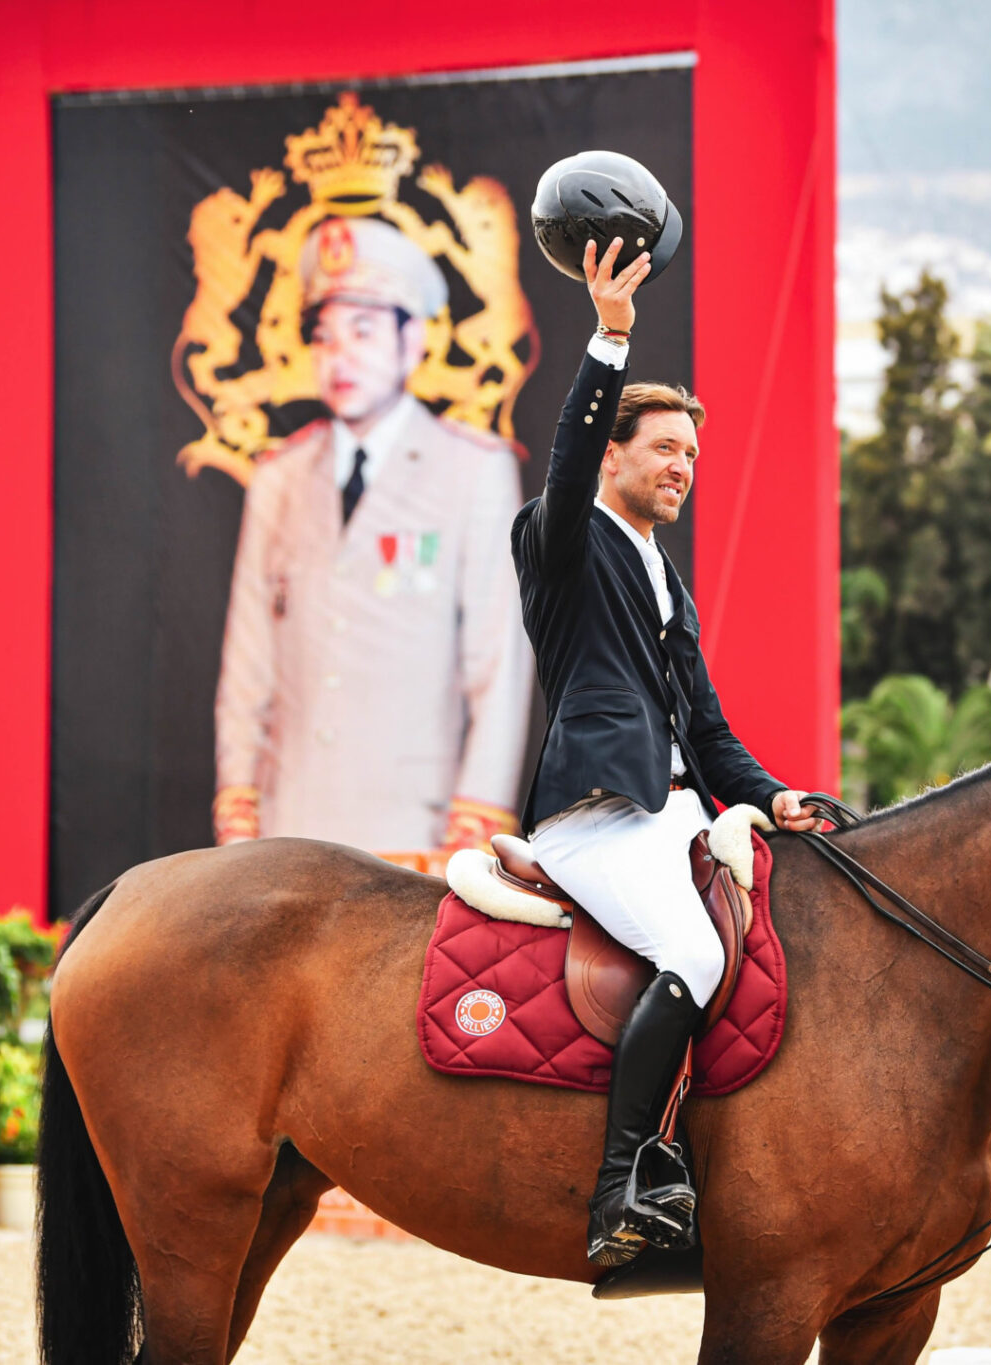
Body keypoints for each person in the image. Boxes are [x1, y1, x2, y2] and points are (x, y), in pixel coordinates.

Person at [511, 237, 823, 1268]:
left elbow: (708, 724)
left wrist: (775, 799)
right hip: (597, 815)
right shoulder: (559, 533)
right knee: (692, 953)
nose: (680, 467)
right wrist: (607, 339)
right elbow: (562, 458)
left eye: (690, 454)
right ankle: (621, 1188)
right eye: (662, 450)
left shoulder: (663, 576)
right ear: (611, 453)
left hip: (682, 811)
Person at [214, 215, 534, 853]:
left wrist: (471, 834)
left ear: (413, 339)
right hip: (288, 832)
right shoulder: (278, 478)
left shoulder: (473, 470)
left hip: (412, 842)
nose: (341, 358)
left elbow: (498, 670)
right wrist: (239, 818)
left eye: (363, 331)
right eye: (325, 338)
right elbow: (248, 666)